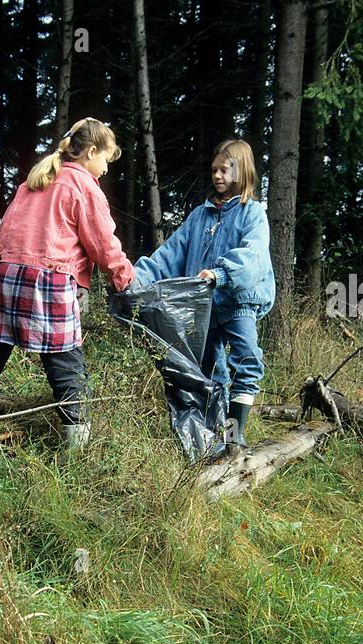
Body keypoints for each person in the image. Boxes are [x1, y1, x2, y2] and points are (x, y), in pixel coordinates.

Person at [0, 117, 136, 449]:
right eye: (105, 159)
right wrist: (126, 281)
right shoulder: (84, 186)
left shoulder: (34, 180)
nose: (105, 168)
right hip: (47, 279)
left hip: (5, 275)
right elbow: (104, 246)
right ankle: (80, 445)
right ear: (90, 152)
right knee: (65, 361)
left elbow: (4, 235)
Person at [130, 139, 275, 453]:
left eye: (225, 169)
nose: (218, 176)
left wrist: (220, 274)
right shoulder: (200, 216)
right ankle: (213, 440)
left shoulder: (253, 214)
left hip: (239, 302)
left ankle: (235, 434)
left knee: (247, 359)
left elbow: (254, 257)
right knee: (209, 371)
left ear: (242, 170)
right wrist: (134, 278)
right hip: (204, 307)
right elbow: (169, 254)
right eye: (214, 170)